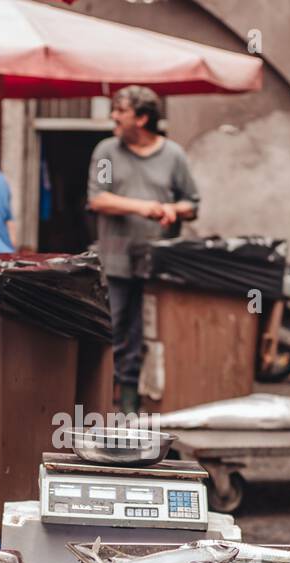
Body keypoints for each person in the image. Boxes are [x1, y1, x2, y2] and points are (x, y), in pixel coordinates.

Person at [86, 86, 199, 415]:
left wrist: (173, 210)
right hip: (117, 257)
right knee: (117, 328)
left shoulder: (174, 155)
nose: (114, 117)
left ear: (143, 117)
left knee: (159, 332)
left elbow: (192, 202)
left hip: (160, 263)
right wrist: (145, 207)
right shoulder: (107, 150)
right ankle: (118, 403)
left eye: (120, 111)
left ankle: (158, 402)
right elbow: (98, 198)